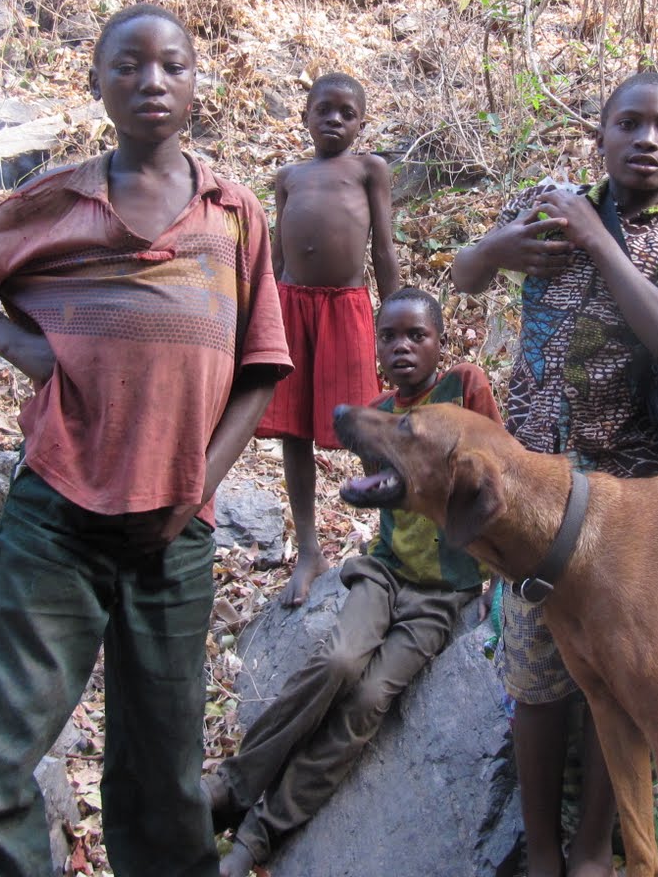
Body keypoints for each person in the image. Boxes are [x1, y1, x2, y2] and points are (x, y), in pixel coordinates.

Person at [0, 3, 291, 877]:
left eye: (172, 65)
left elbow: (262, 368)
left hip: (175, 531)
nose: (151, 82)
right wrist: (17, 345)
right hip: (58, 512)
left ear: (198, 84)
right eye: (127, 66)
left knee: (162, 766)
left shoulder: (232, 215)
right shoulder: (60, 199)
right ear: (96, 82)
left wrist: (198, 489)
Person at [451, 72, 658, 877]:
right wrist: (498, 250)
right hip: (533, 488)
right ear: (599, 136)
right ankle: (542, 851)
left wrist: (601, 244)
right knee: (537, 670)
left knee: (633, 675)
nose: (647, 139)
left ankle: (599, 848)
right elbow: (466, 273)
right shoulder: (548, 200)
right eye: (629, 123)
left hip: (635, 499)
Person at [206, 286, 501, 877]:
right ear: (375, 347)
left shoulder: (463, 387)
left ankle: (258, 837)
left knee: (369, 698)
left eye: (417, 335)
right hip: (386, 574)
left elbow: (499, 469)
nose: (402, 348)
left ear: (440, 343)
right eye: (389, 337)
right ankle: (232, 789)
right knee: (340, 661)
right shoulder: (375, 415)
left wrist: (497, 573)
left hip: (443, 595)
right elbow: (382, 498)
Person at [257, 71, 400, 607]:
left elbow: (383, 249)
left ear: (362, 123)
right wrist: (260, 316)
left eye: (347, 112)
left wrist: (394, 322)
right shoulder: (289, 176)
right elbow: (276, 253)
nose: (334, 120)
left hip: (346, 308)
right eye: (324, 110)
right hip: (292, 307)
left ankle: (392, 542)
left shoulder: (369, 170)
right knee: (292, 429)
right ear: (305, 117)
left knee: (364, 425)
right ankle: (310, 550)